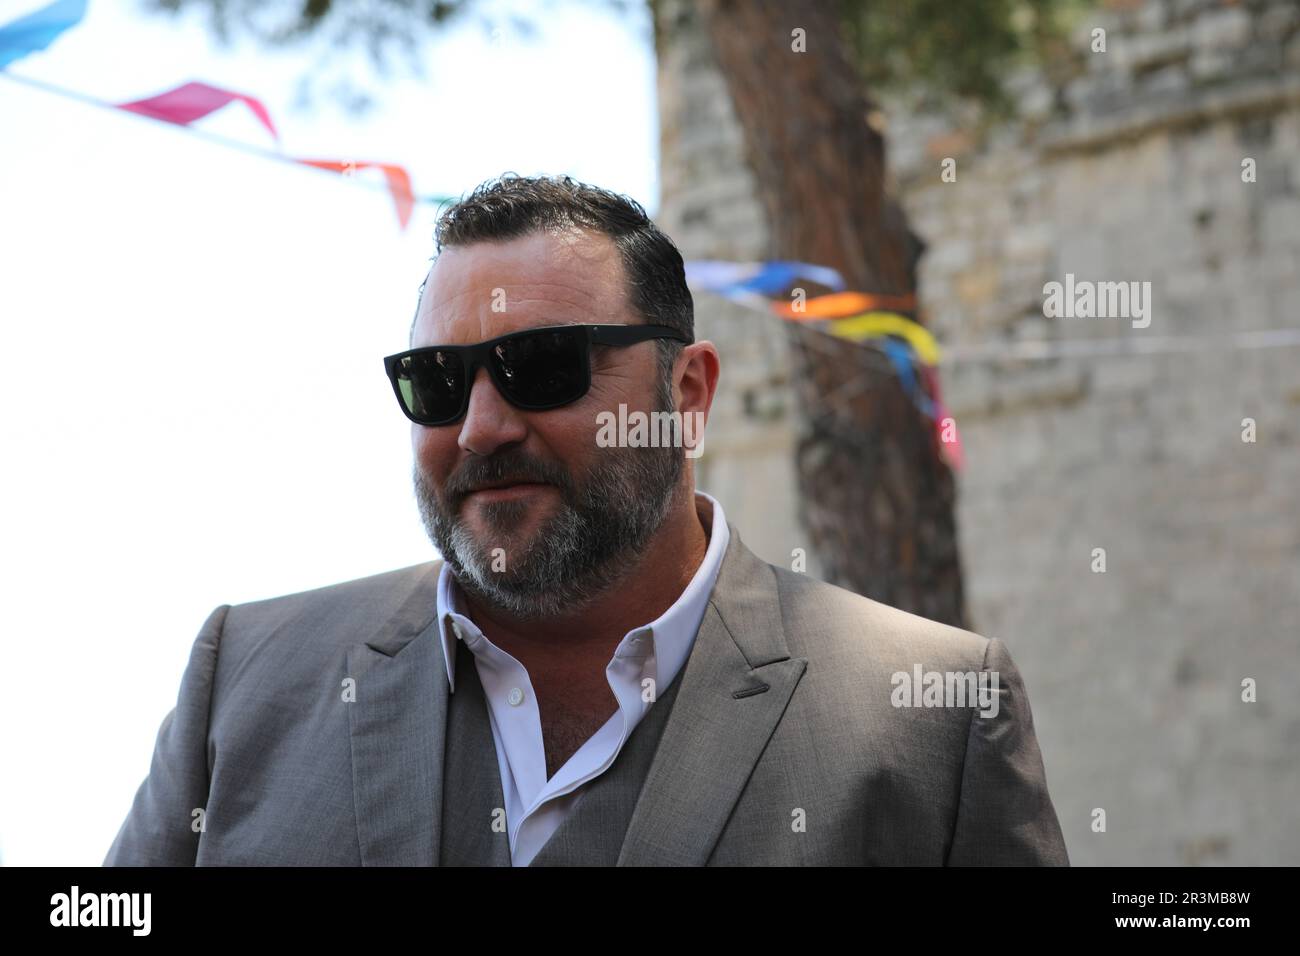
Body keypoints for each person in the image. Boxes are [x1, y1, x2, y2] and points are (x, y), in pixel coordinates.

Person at [104, 173, 1068, 866]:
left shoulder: (933, 718)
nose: (482, 427)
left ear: (686, 391)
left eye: (544, 366)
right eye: (437, 383)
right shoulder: (246, 682)